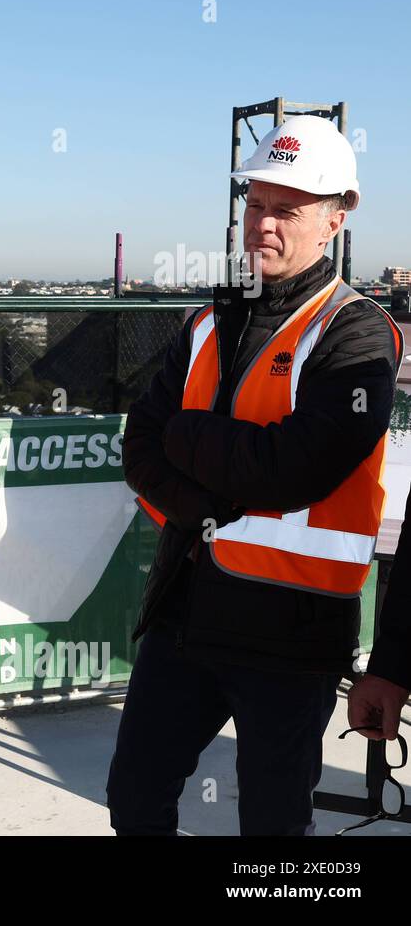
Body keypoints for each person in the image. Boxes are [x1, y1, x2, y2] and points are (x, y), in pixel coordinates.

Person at [110, 114, 401, 835]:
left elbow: (295, 467)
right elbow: (140, 448)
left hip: (290, 631)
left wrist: (188, 435)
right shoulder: (209, 321)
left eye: (288, 211)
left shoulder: (357, 331)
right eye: (257, 206)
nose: (265, 225)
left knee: (273, 825)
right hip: (185, 610)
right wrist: (210, 497)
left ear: (334, 221)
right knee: (136, 799)